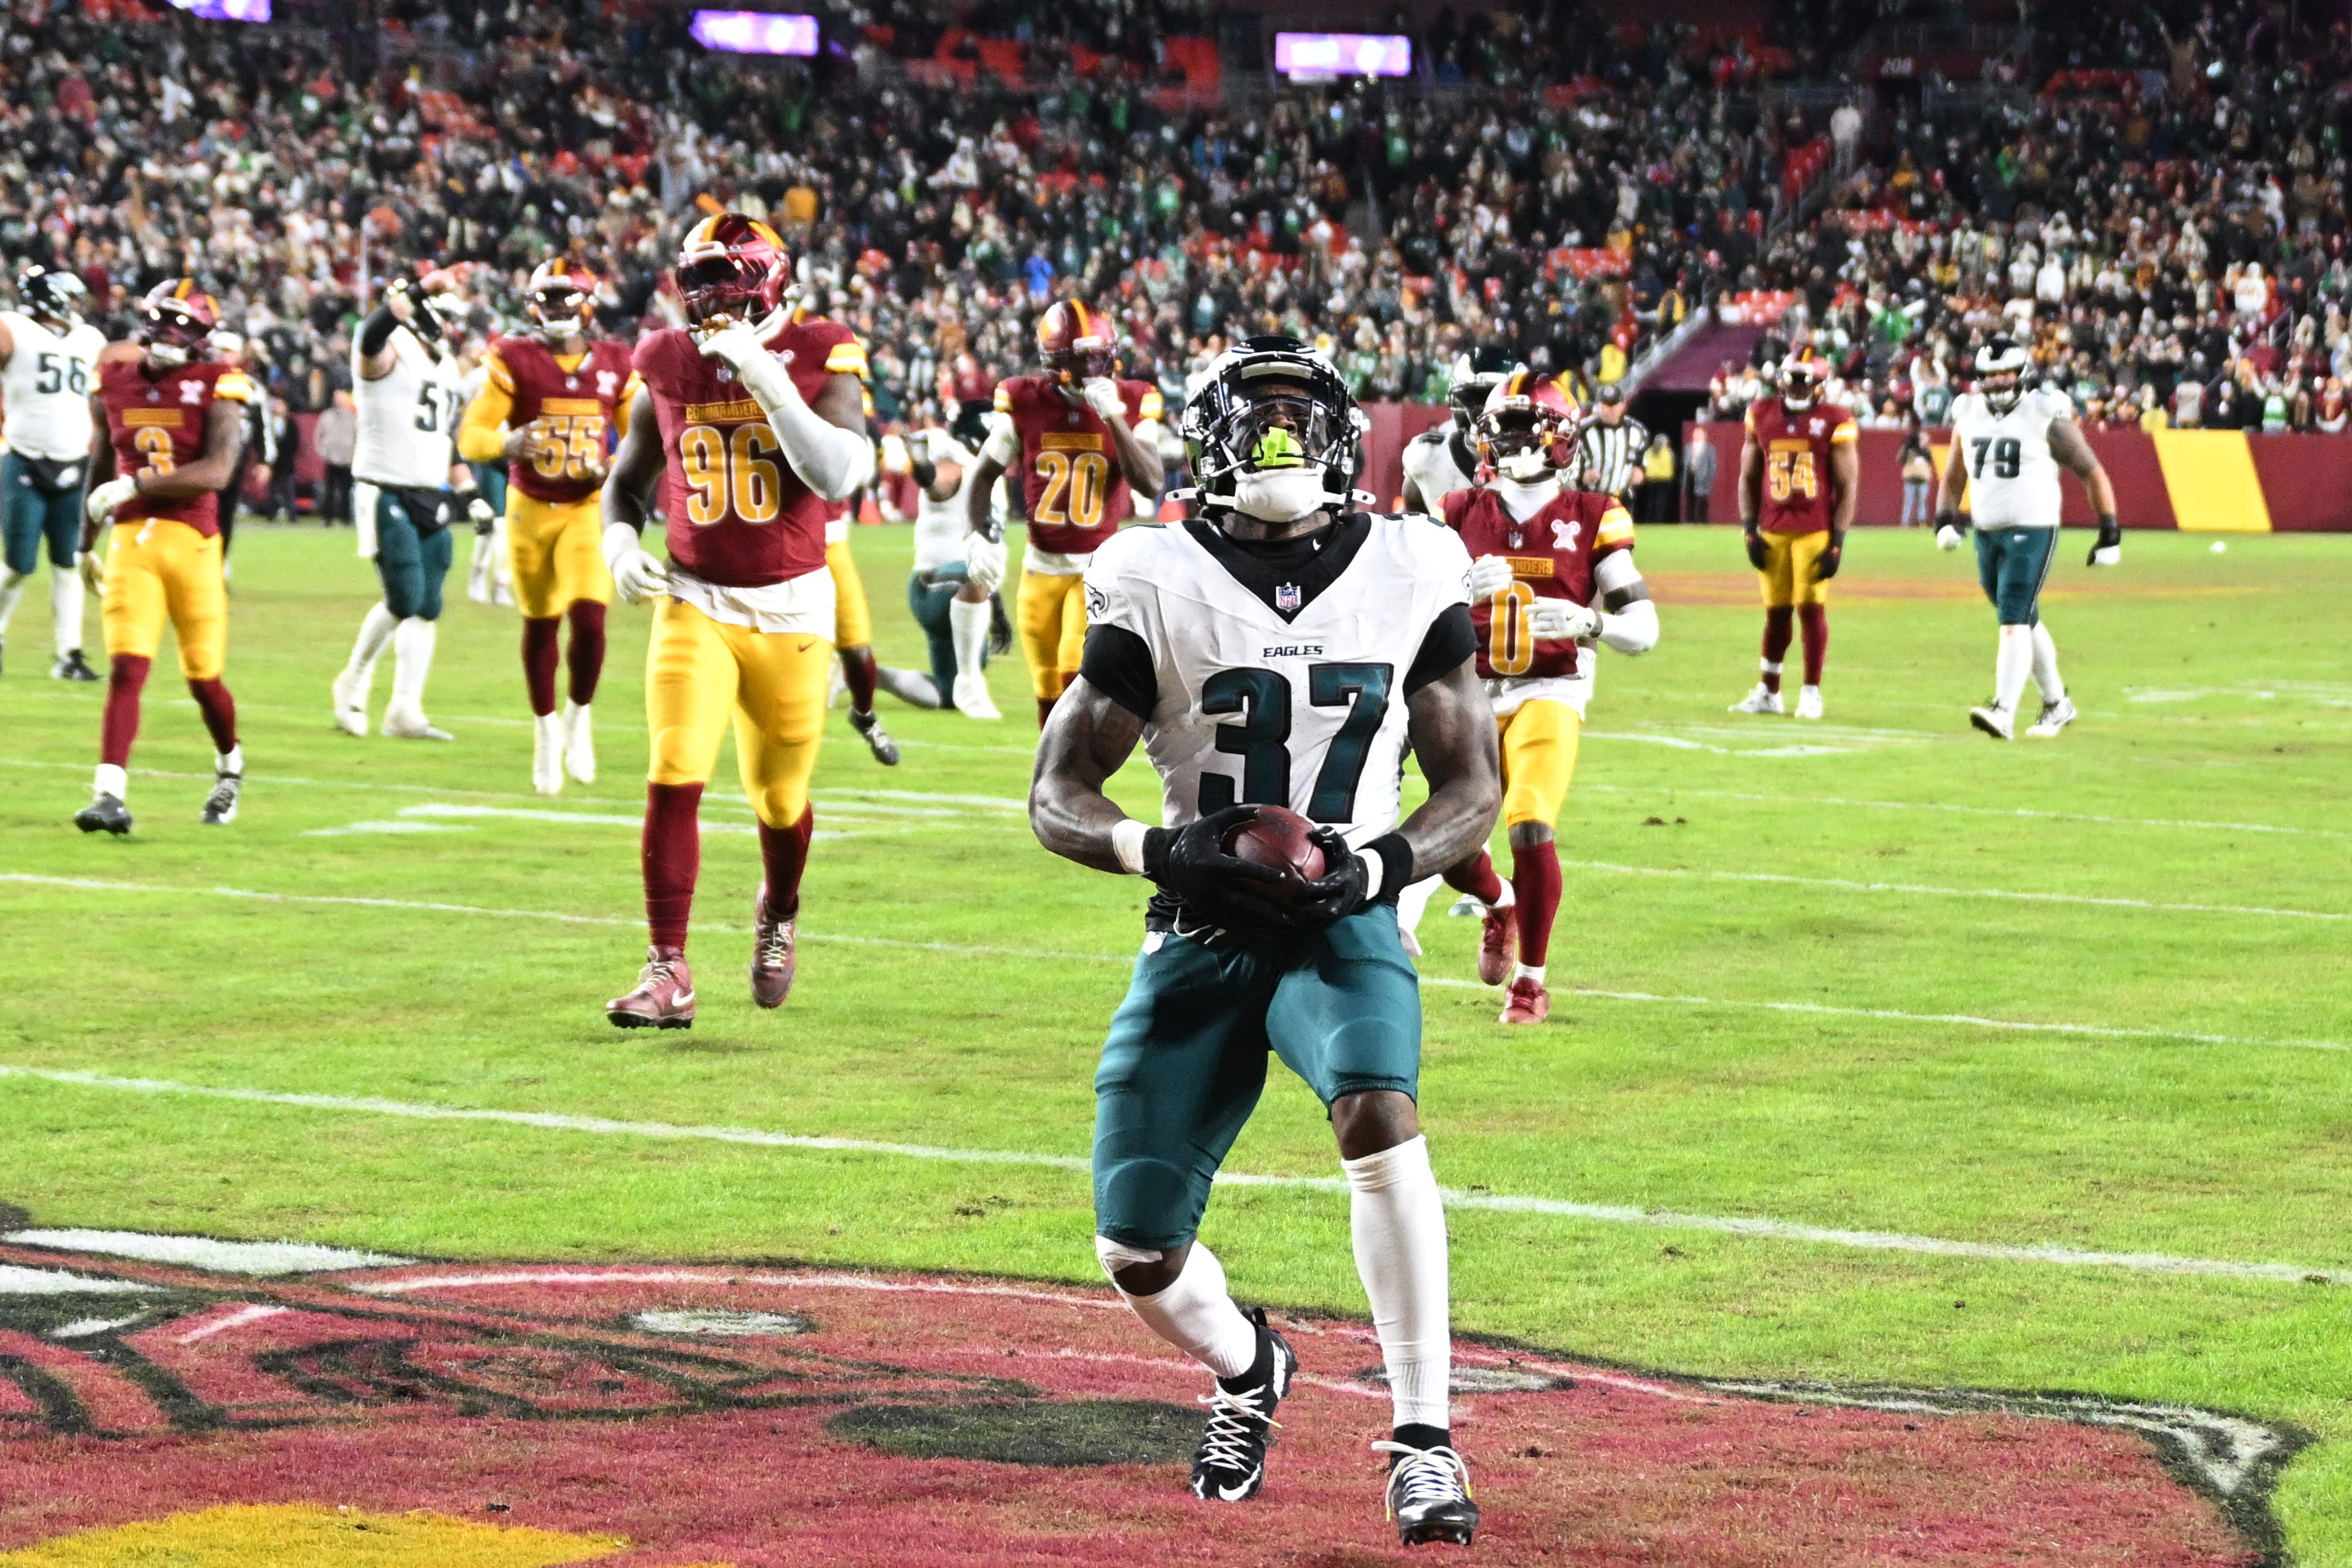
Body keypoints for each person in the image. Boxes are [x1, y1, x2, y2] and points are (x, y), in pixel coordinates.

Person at [1029, 336, 1496, 1546]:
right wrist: (1160, 849)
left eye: (1299, 419)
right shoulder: (1150, 568)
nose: (1278, 441)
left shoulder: (1412, 560)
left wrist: (1374, 868)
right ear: (1208, 441)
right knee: (1135, 1247)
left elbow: (1472, 785)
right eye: (1256, 419)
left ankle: (1424, 1439)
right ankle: (1249, 1366)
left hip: (1342, 913)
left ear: (1343, 442)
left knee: (1376, 1107)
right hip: (1199, 920)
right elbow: (1057, 790)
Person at [598, 213, 874, 1027]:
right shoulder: (665, 356)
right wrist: (619, 541)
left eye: (725, 283)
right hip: (695, 596)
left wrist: (763, 373)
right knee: (673, 766)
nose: (710, 300)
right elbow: (627, 481)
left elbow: (840, 474)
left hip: (791, 606)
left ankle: (779, 909)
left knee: (779, 799)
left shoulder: (822, 347)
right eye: (699, 284)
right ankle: (668, 967)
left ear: (766, 283)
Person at [1413, 372, 1659, 1024]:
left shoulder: (1593, 513)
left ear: (1561, 436)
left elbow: (1644, 628)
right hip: (1467, 692)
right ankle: (1500, 903)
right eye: (1505, 428)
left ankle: (1530, 981)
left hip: (1551, 688)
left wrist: (1591, 622)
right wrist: (1456, 587)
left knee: (1529, 819)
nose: (1517, 440)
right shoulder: (1455, 511)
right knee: (1452, 844)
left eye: (1529, 426)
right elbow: (1404, 611)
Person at [72, 280, 256, 834]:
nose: (171, 334)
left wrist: (136, 486)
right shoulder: (114, 379)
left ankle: (230, 765)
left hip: (193, 542)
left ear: (202, 336)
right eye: (164, 321)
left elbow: (217, 471)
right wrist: (84, 544)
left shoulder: (219, 381)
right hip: (132, 542)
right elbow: (101, 464)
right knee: (126, 667)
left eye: (184, 326)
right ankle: (109, 794)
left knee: (203, 678)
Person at [456, 260, 638, 793]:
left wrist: (610, 468)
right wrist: (506, 442)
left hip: (586, 507)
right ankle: (545, 731)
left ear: (588, 303)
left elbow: (641, 442)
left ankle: (578, 718)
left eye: (566, 297)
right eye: (548, 298)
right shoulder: (513, 357)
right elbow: (471, 436)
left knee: (590, 619)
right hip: (530, 508)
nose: (557, 308)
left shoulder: (616, 361)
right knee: (540, 625)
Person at [962, 300, 1163, 726]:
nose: (1093, 369)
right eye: (1081, 359)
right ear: (1056, 362)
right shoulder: (1026, 401)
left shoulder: (1131, 400)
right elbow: (982, 475)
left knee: (1076, 672)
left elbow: (1151, 482)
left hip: (1095, 569)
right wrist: (976, 533)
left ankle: (1078, 766)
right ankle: (1055, 770)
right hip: (1040, 569)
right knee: (1047, 691)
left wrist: (1114, 418)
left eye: (1100, 357)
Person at [1936, 337, 2120, 739]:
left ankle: (2003, 710)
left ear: (2021, 374)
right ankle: (2057, 704)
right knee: (2023, 617)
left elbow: (2091, 471)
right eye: (1990, 375)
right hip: (1987, 533)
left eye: (2005, 374)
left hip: (2033, 528)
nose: (1998, 382)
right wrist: (1944, 519)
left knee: (2013, 616)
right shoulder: (1968, 411)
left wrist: (2109, 531)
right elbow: (1953, 474)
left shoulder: (2043, 411)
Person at [330, 272, 483, 742]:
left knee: (428, 605)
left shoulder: (446, 365)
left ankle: (405, 708)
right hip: (385, 487)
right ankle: (353, 680)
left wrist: (470, 494)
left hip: (429, 491)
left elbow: (442, 437)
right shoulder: (389, 348)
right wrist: (417, 290)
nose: (451, 328)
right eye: (445, 316)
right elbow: (370, 334)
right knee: (404, 598)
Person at [1730, 352, 1856, 720]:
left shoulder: (1835, 419)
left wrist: (1838, 541)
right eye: (1793, 379)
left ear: (1819, 385)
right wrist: (1749, 530)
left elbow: (1848, 485)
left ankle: (1811, 693)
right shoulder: (1761, 413)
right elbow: (1748, 477)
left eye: (1805, 381)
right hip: (1772, 529)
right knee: (1776, 613)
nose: (1798, 387)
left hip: (1814, 529)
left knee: (1811, 610)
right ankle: (1769, 692)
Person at [0, 264, 104, 681]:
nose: (76, 306)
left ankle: (69, 655)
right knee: (18, 564)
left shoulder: (88, 338)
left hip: (74, 462)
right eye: (70, 298)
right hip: (25, 458)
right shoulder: (14, 327)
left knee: (68, 562)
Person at [903, 412, 1000, 717]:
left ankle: (867, 674)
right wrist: (920, 466)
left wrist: (996, 607)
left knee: (946, 695)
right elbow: (936, 482)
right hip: (934, 583)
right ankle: (971, 685)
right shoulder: (957, 463)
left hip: (954, 588)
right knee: (976, 577)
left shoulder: (986, 473)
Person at [1398, 347, 1516, 514]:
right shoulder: (1428, 457)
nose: (1487, 410)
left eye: (1499, 398)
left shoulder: (1538, 464)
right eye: (1477, 398)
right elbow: (1409, 521)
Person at [1575, 382, 1649, 502]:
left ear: (1622, 406)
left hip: (1621, 498)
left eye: (1611, 406)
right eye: (1603, 405)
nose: (1606, 410)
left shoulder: (1636, 431)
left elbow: (1640, 460)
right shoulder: (1582, 431)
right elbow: (1565, 463)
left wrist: (1639, 472)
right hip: (1589, 497)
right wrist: (1581, 475)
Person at [315, 388, 357, 524]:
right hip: (331, 459)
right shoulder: (327, 416)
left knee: (346, 490)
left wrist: (354, 453)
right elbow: (318, 435)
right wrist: (323, 452)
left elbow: (358, 436)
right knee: (329, 490)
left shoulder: (353, 417)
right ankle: (327, 519)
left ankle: (346, 519)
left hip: (347, 459)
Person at [1681, 421, 1717, 522]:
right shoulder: (1688, 447)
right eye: (1695, 434)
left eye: (1698, 434)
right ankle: (1689, 520)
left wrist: (1709, 479)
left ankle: (1702, 520)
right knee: (1690, 499)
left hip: (1703, 477)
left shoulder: (1709, 448)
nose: (1696, 436)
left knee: (1702, 500)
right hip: (1690, 476)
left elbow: (1712, 465)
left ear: (1704, 436)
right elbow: (1685, 464)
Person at [1899, 429, 1935, 525]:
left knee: (1922, 503)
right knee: (1909, 503)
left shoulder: (1927, 452)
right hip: (1911, 480)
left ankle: (1922, 521)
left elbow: (1930, 463)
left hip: (1923, 481)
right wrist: (1907, 446)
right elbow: (1901, 459)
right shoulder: (1909, 451)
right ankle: (1905, 522)